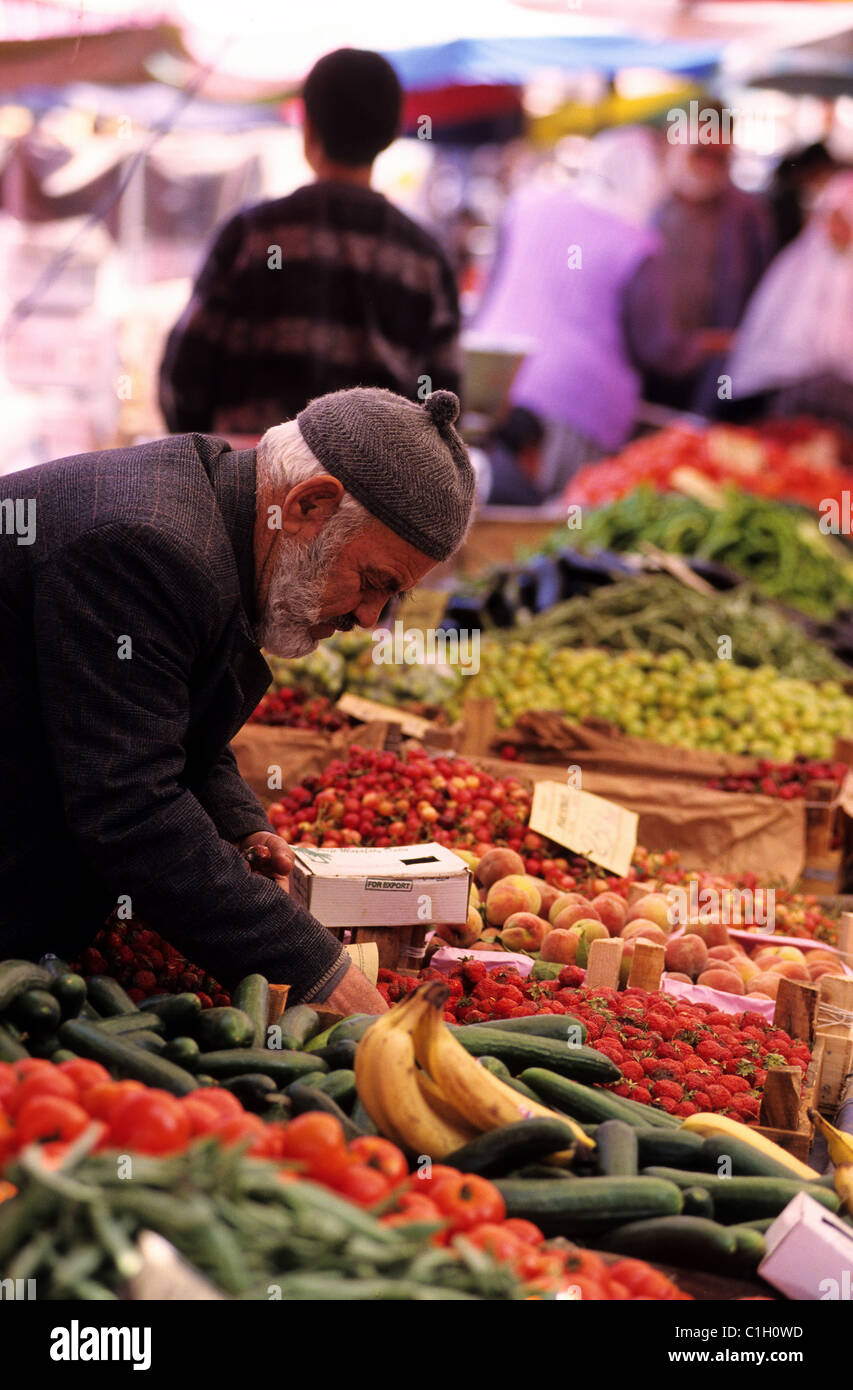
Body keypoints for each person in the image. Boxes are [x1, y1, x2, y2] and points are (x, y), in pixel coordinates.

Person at [0, 388, 474, 1014]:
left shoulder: (216, 504)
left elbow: (154, 711)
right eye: (374, 583)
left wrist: (240, 823)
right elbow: (132, 809)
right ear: (310, 503)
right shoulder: (149, 546)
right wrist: (319, 973)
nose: (369, 616)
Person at [159, 49, 461, 434]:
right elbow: (444, 406)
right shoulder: (426, 259)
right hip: (372, 490)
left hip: (251, 481)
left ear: (309, 127)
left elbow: (183, 377)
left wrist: (210, 460)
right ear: (389, 135)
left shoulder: (253, 235)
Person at [473, 127, 720, 503]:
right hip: (575, 406)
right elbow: (658, 350)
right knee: (551, 523)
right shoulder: (637, 244)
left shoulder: (529, 204)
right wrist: (710, 345)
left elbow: (491, 289)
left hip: (490, 381)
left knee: (477, 508)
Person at [647, 113, 775, 415]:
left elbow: (762, 292)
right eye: (700, 153)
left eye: (719, 157)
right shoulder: (649, 204)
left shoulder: (748, 216)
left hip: (712, 368)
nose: (708, 165)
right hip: (646, 362)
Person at [724, 171, 853, 430]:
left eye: (844, 218)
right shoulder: (798, 264)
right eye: (830, 216)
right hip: (788, 394)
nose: (835, 226)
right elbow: (765, 334)